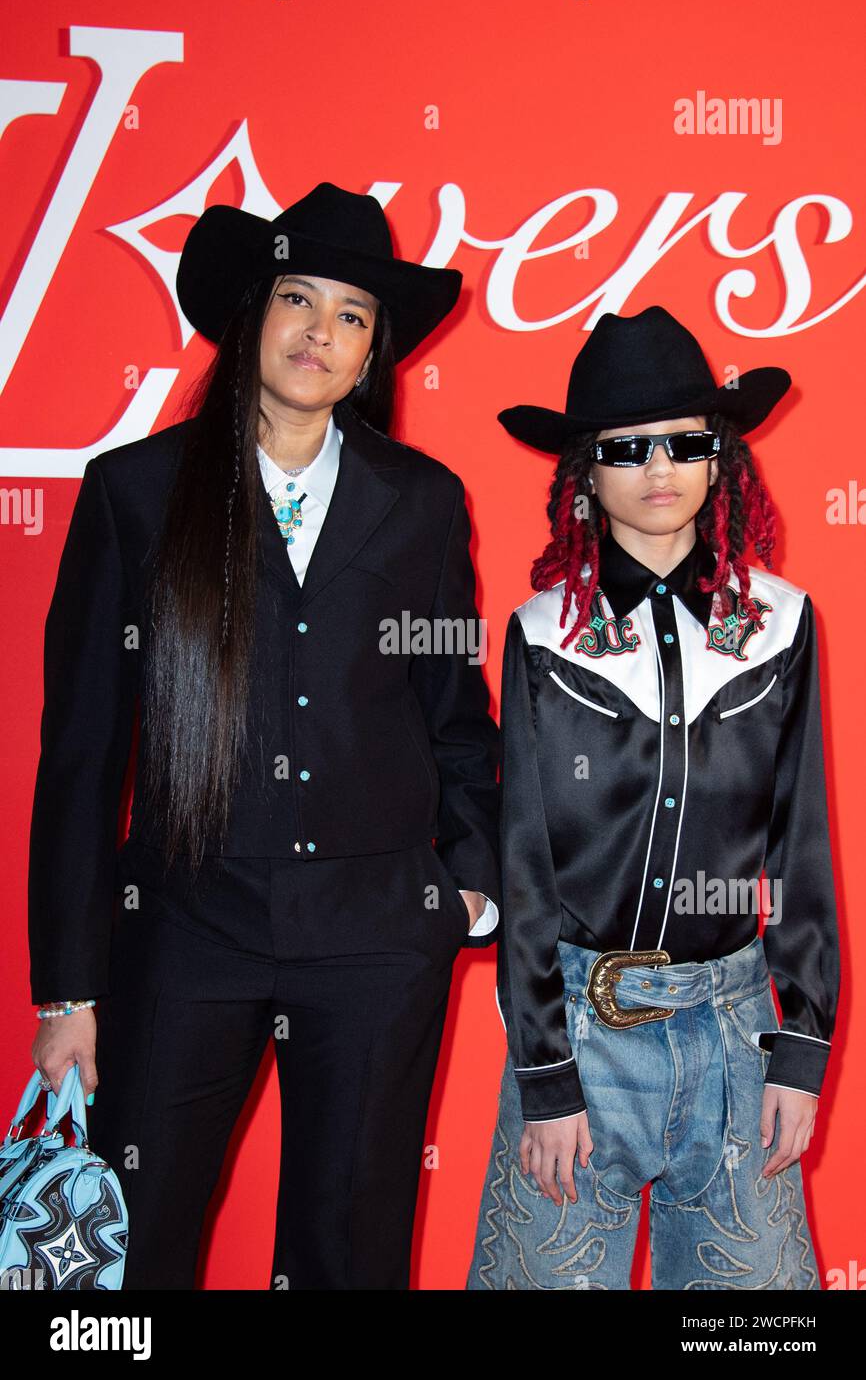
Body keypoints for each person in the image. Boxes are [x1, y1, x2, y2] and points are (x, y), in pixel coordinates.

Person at [27, 181, 501, 1290]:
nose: (319, 333)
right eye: (298, 298)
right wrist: (68, 990)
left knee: (352, 1245)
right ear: (252, 315)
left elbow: (453, 712)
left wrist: (467, 887)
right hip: (186, 926)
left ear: (373, 349)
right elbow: (85, 755)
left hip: (377, 936)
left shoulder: (421, 499)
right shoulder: (135, 493)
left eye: (351, 315)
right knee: (130, 1244)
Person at [466, 305, 840, 1290]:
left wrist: (799, 1048)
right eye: (625, 449)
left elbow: (800, 848)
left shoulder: (780, 623)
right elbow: (524, 861)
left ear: (719, 459)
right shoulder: (541, 631)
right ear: (582, 475)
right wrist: (543, 1076)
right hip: (580, 1035)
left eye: (684, 441)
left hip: (735, 1035)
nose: (659, 468)